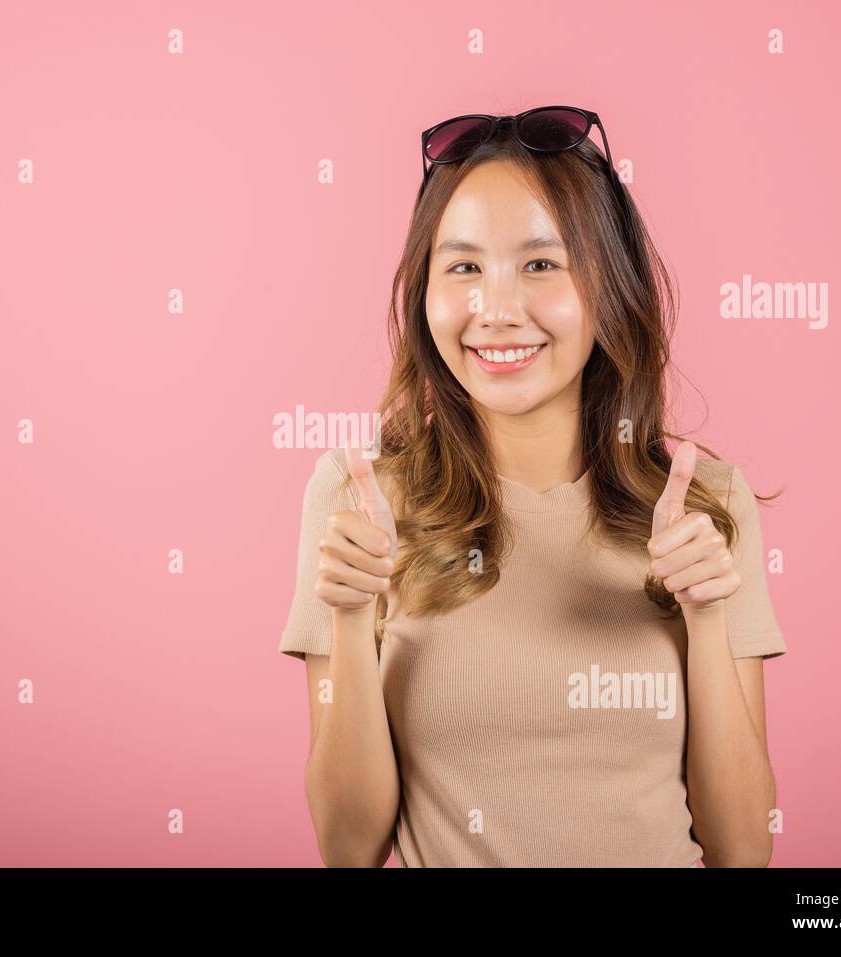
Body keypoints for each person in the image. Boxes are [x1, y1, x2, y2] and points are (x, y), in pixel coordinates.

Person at [277, 107, 787, 867]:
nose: (497, 310)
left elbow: (743, 849)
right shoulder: (361, 497)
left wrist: (706, 619)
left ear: (608, 282)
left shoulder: (703, 503)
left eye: (541, 264)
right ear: (426, 292)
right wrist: (350, 620)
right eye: (464, 267)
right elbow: (349, 847)